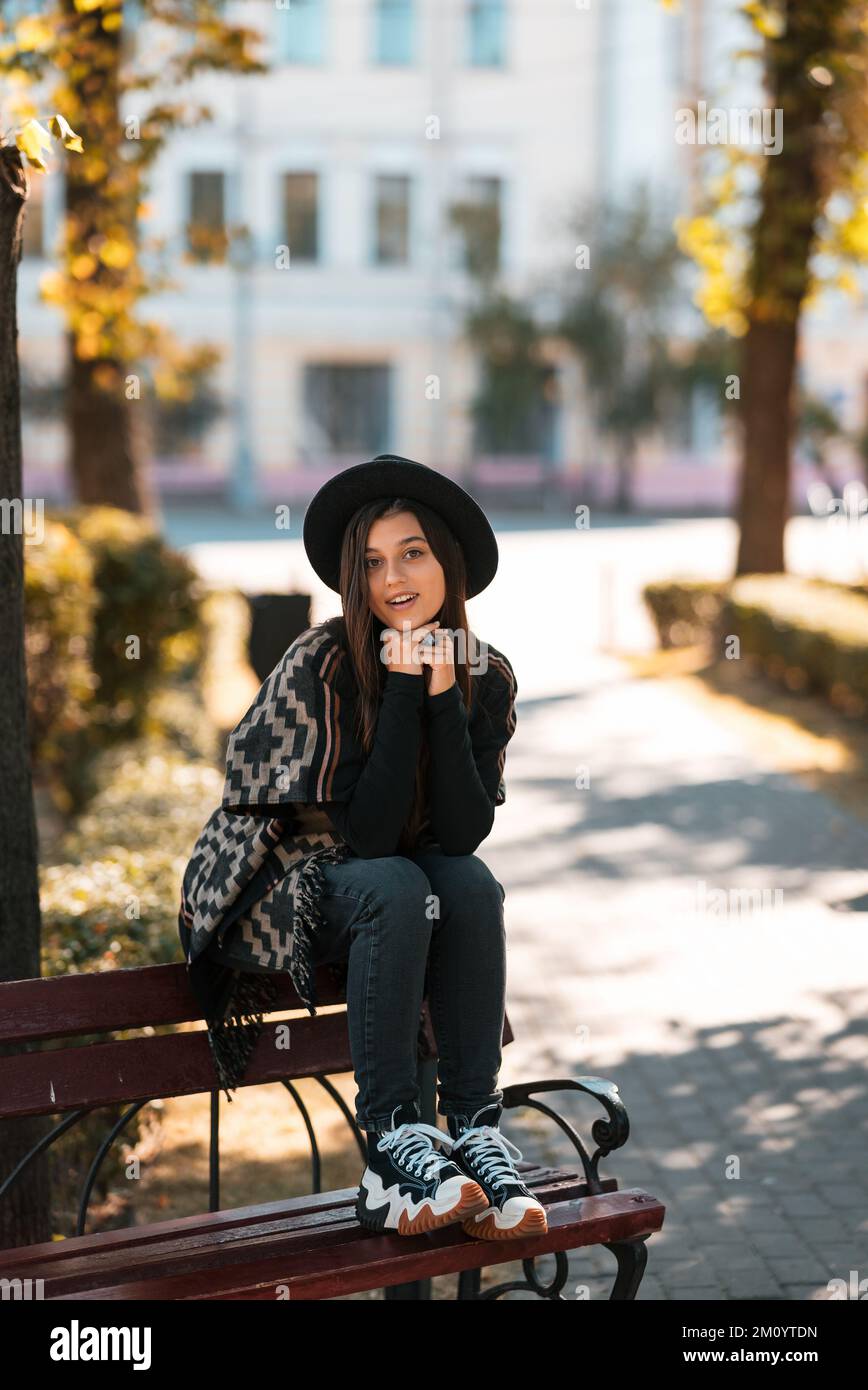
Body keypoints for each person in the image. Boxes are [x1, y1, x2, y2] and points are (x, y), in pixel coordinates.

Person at [178, 455, 547, 1242]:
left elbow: (460, 831)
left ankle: (475, 1128)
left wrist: (441, 692)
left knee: (471, 883)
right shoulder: (324, 666)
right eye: (373, 563)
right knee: (395, 885)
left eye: (412, 553)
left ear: (446, 560)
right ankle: (388, 1149)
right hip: (282, 880)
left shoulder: (487, 676)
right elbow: (368, 836)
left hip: (393, 877)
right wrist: (406, 685)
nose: (394, 579)